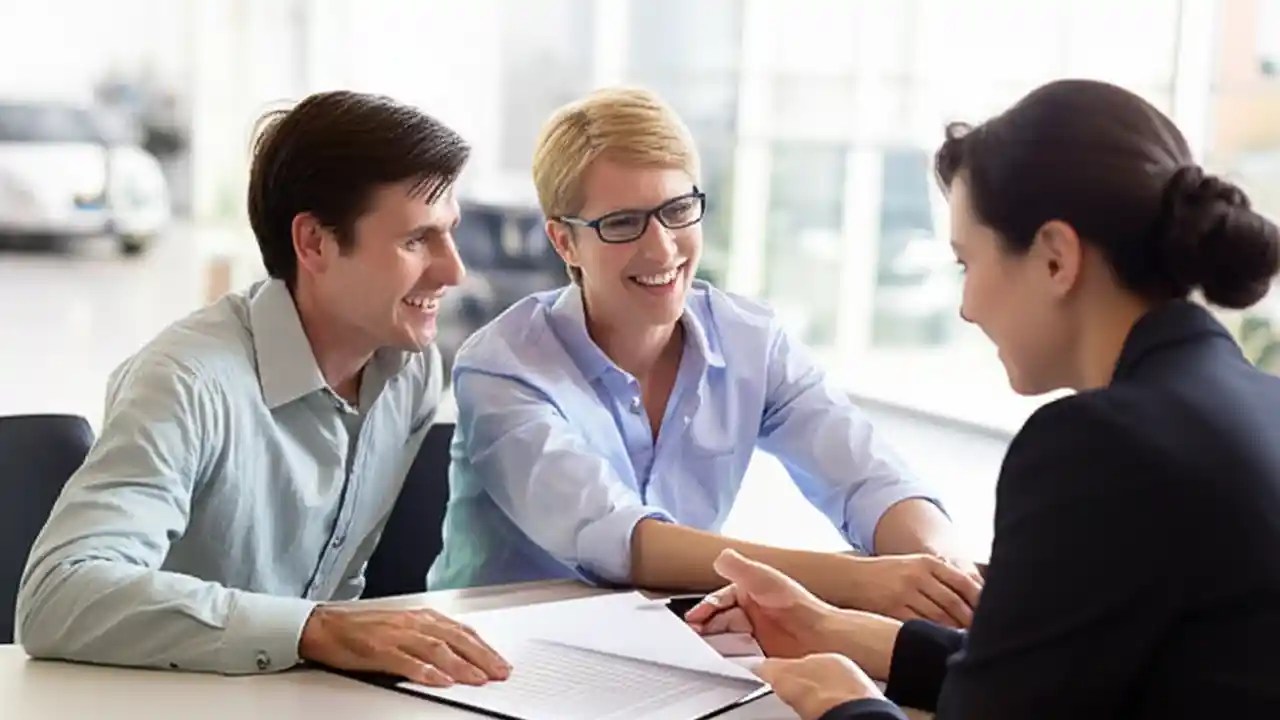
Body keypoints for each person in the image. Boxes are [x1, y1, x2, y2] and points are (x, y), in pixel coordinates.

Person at [685, 78, 1280, 719]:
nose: (966, 308)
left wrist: (847, 705)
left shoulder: (1100, 445)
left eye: (967, 263)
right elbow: (1061, 671)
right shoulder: (1256, 406)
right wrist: (837, 630)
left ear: (1055, 258)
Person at [427, 86, 984, 629]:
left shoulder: (750, 341)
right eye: (622, 223)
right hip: (493, 656)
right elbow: (617, 537)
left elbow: (867, 477)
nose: (662, 247)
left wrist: (943, 570)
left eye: (678, 210)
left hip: (663, 647)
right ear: (564, 242)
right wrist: (859, 582)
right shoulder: (503, 365)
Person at [16, 90, 510, 689]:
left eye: (449, 233)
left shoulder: (409, 371)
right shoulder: (184, 380)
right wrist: (313, 630)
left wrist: (331, 636)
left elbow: (340, 594)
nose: (453, 270)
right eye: (416, 240)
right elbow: (57, 595)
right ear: (314, 243)